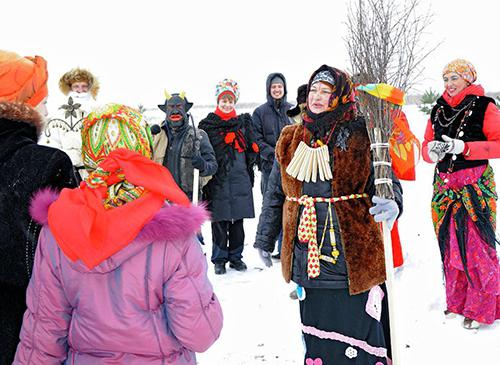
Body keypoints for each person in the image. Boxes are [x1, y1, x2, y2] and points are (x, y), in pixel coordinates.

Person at [14, 103, 223, 364]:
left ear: (89, 154)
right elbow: (199, 334)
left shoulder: (58, 228)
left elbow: (43, 332)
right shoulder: (173, 234)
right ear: (143, 149)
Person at [254, 65, 402, 364]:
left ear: (340, 96)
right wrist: (264, 238)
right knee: (318, 335)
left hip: (355, 255)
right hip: (305, 254)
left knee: (359, 330)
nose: (317, 97)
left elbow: (389, 182)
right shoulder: (290, 137)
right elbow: (275, 194)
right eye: (313, 91)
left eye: (326, 91)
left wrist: (393, 202)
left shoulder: (363, 133)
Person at [0, 50, 77, 364]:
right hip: (30, 332)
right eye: (43, 100)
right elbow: (79, 251)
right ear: (25, 105)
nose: (47, 108)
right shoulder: (49, 164)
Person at [423, 59, 500, 330]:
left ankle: (480, 308)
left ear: (468, 80)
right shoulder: (438, 109)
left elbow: (498, 145)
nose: (449, 84)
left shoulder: (485, 106)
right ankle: (457, 302)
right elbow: (425, 144)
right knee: (450, 244)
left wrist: (465, 147)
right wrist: (430, 152)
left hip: (474, 186)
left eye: (454, 78)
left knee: (476, 246)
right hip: (444, 187)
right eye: (445, 79)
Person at [199, 79, 259, 275]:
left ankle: (236, 257)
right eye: (223, 100)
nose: (227, 104)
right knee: (219, 221)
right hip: (218, 181)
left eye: (230, 100)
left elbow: (251, 149)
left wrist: (253, 156)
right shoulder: (208, 125)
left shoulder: (242, 123)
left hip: (240, 178)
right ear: (218, 101)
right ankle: (219, 258)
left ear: (235, 102)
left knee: (238, 222)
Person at [252, 73, 292, 260]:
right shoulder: (260, 113)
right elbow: (256, 140)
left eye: (280, 87)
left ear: (284, 89)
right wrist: (273, 154)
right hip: (269, 167)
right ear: (269, 89)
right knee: (272, 203)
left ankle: (285, 246)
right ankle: (271, 243)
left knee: (290, 204)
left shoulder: (291, 109)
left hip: (292, 167)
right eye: (273, 87)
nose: (277, 90)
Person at [152, 91, 217, 201]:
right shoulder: (157, 135)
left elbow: (213, 166)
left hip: (189, 202)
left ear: (186, 109)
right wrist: (149, 135)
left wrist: (203, 166)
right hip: (161, 202)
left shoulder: (199, 136)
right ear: (166, 110)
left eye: (179, 106)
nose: (175, 110)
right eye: (171, 107)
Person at [41, 67, 100, 182]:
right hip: (67, 169)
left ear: (89, 88)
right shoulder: (60, 113)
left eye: (84, 86)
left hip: (92, 169)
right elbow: (53, 141)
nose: (80, 90)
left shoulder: (96, 112)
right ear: (70, 87)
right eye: (76, 86)